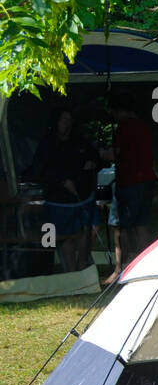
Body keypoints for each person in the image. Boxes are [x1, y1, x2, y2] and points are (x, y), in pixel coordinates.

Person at [32, 109, 101, 273]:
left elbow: (95, 157)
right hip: (58, 200)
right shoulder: (47, 144)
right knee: (65, 236)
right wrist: (62, 181)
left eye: (69, 119)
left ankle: (81, 263)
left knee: (92, 227)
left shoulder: (80, 141)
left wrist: (93, 163)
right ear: (56, 122)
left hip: (83, 196)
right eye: (63, 119)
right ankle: (71, 272)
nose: (67, 123)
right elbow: (40, 170)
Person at [105, 98, 157, 281]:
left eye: (114, 113)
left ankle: (121, 268)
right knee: (141, 225)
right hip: (147, 180)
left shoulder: (124, 128)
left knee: (120, 227)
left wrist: (100, 153)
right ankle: (146, 265)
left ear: (121, 111)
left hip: (129, 183)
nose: (114, 117)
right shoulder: (143, 127)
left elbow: (114, 154)